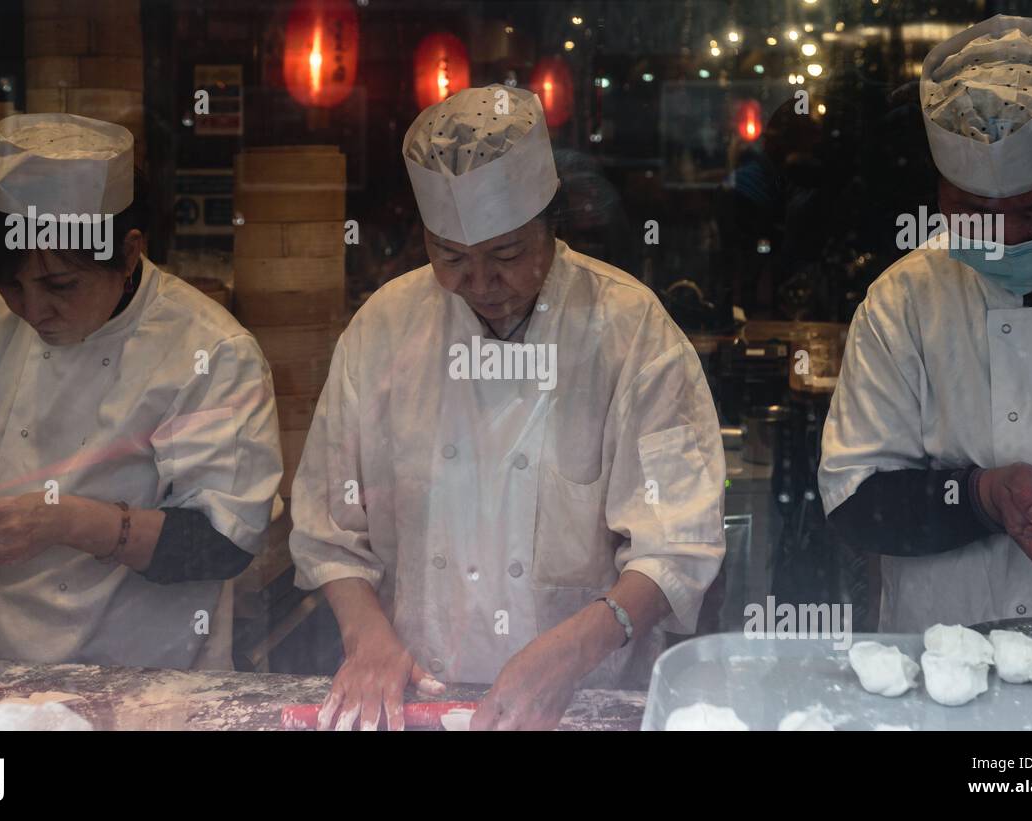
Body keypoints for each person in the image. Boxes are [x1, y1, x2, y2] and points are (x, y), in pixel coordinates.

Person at [289, 85, 725, 730]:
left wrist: (577, 647)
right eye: (452, 258)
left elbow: (678, 544)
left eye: (508, 256)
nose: (482, 284)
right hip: (418, 694)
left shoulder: (630, 332)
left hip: (585, 699)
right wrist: (367, 637)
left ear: (552, 226)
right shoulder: (384, 329)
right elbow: (329, 532)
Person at [0, 113, 283, 669]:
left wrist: (59, 521)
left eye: (60, 285)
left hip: (142, 679)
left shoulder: (210, 350)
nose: (32, 310)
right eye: (11, 285)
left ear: (128, 253)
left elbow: (221, 542)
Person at [820, 15, 1032, 632]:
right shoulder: (904, 302)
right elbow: (856, 502)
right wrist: (979, 497)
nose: (1006, 241)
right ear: (940, 193)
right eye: (974, 214)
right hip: (948, 665)